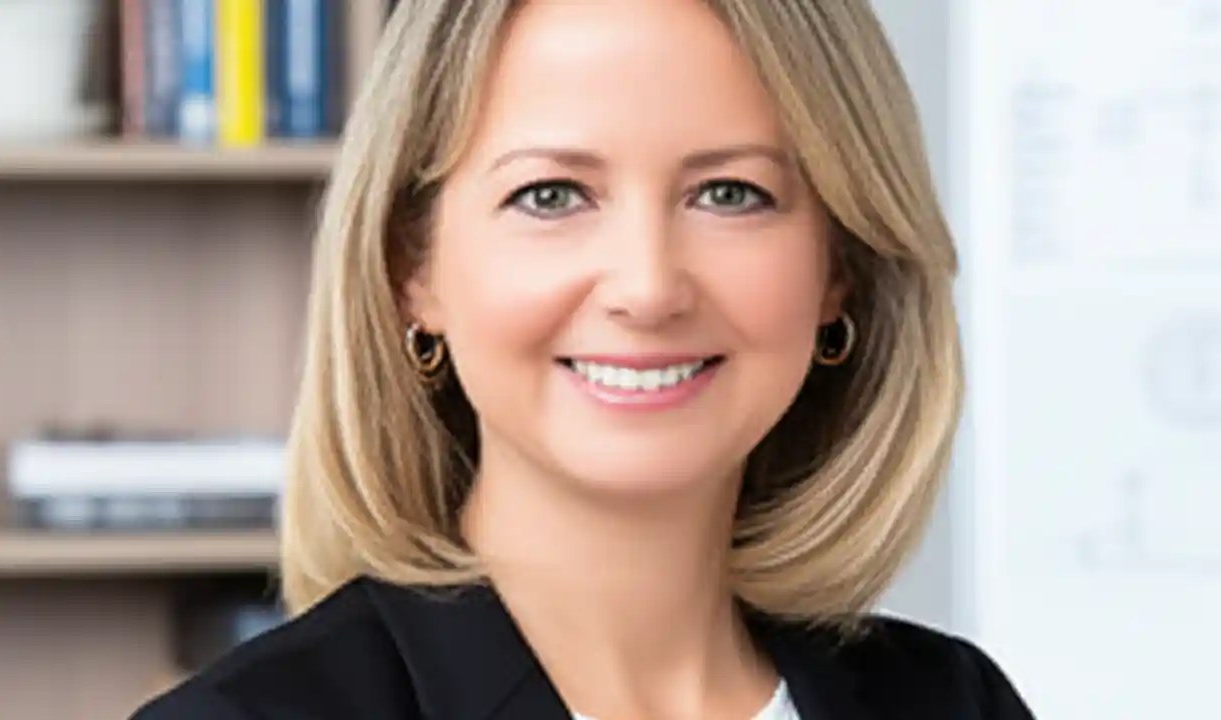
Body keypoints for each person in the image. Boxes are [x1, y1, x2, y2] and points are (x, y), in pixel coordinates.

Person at [134, 0, 1035, 717]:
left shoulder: (952, 701)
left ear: (840, 268)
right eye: (552, 195)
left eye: (730, 193)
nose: (647, 288)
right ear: (413, 270)